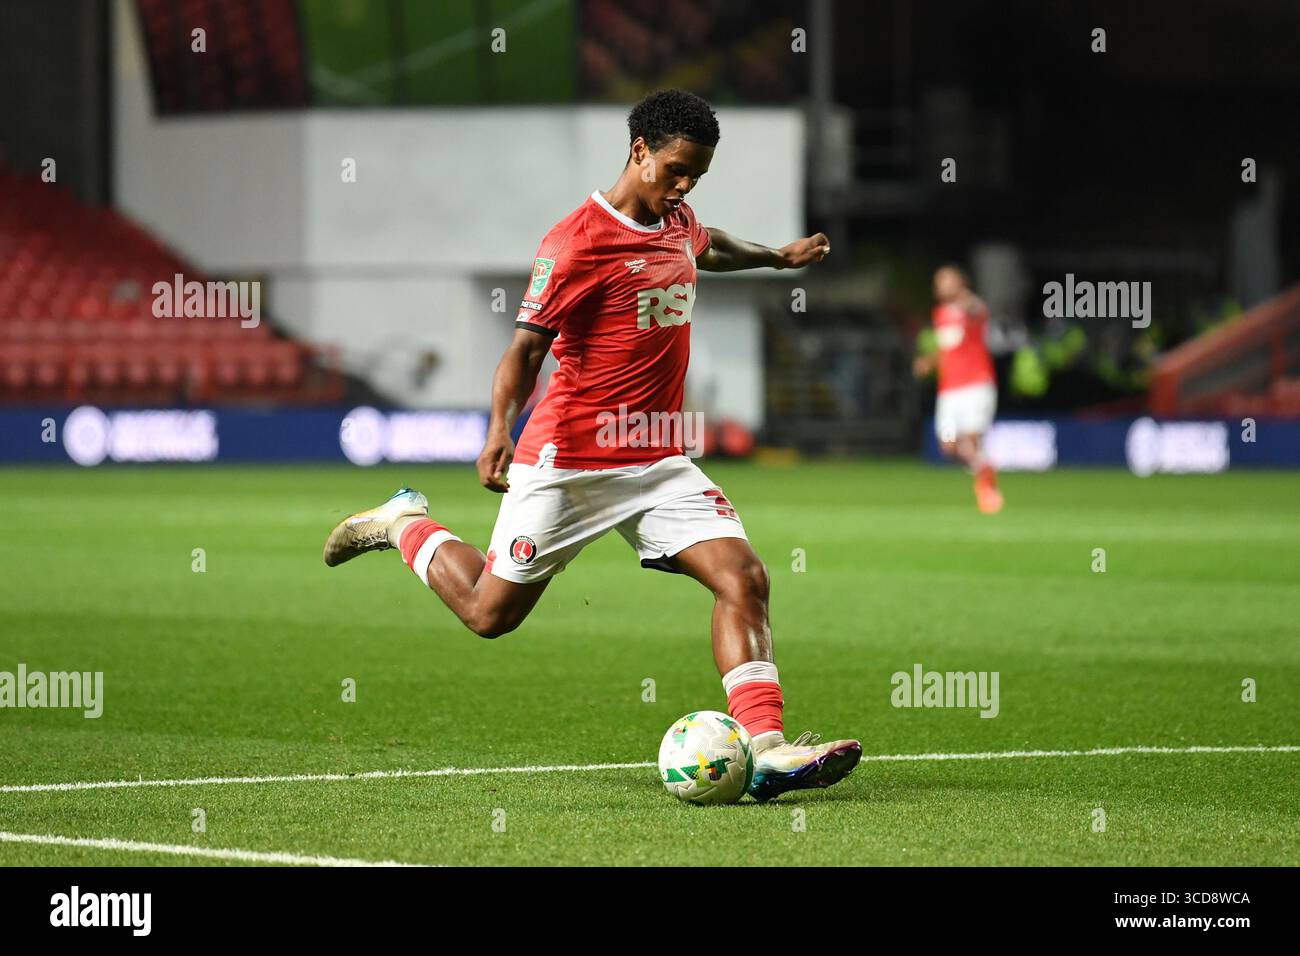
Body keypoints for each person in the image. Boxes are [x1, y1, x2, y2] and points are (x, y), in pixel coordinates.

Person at [323, 89, 860, 802]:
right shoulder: (575, 242)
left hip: (659, 454)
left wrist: (777, 257)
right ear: (639, 150)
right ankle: (403, 523)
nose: (684, 187)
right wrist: (497, 431)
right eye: (674, 170)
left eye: (696, 176)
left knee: (746, 578)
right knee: (489, 615)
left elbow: (711, 243)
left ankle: (765, 750)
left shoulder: (678, 218)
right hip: (569, 460)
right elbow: (523, 352)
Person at [914, 265, 1003, 514]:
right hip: (949, 390)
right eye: (938, 281)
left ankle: (986, 488)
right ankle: (984, 466)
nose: (940, 285)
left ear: (960, 282)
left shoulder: (971, 306)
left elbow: (978, 313)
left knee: (972, 439)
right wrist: (927, 362)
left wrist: (966, 299)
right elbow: (947, 349)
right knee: (949, 445)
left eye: (945, 280)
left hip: (976, 385)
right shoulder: (940, 313)